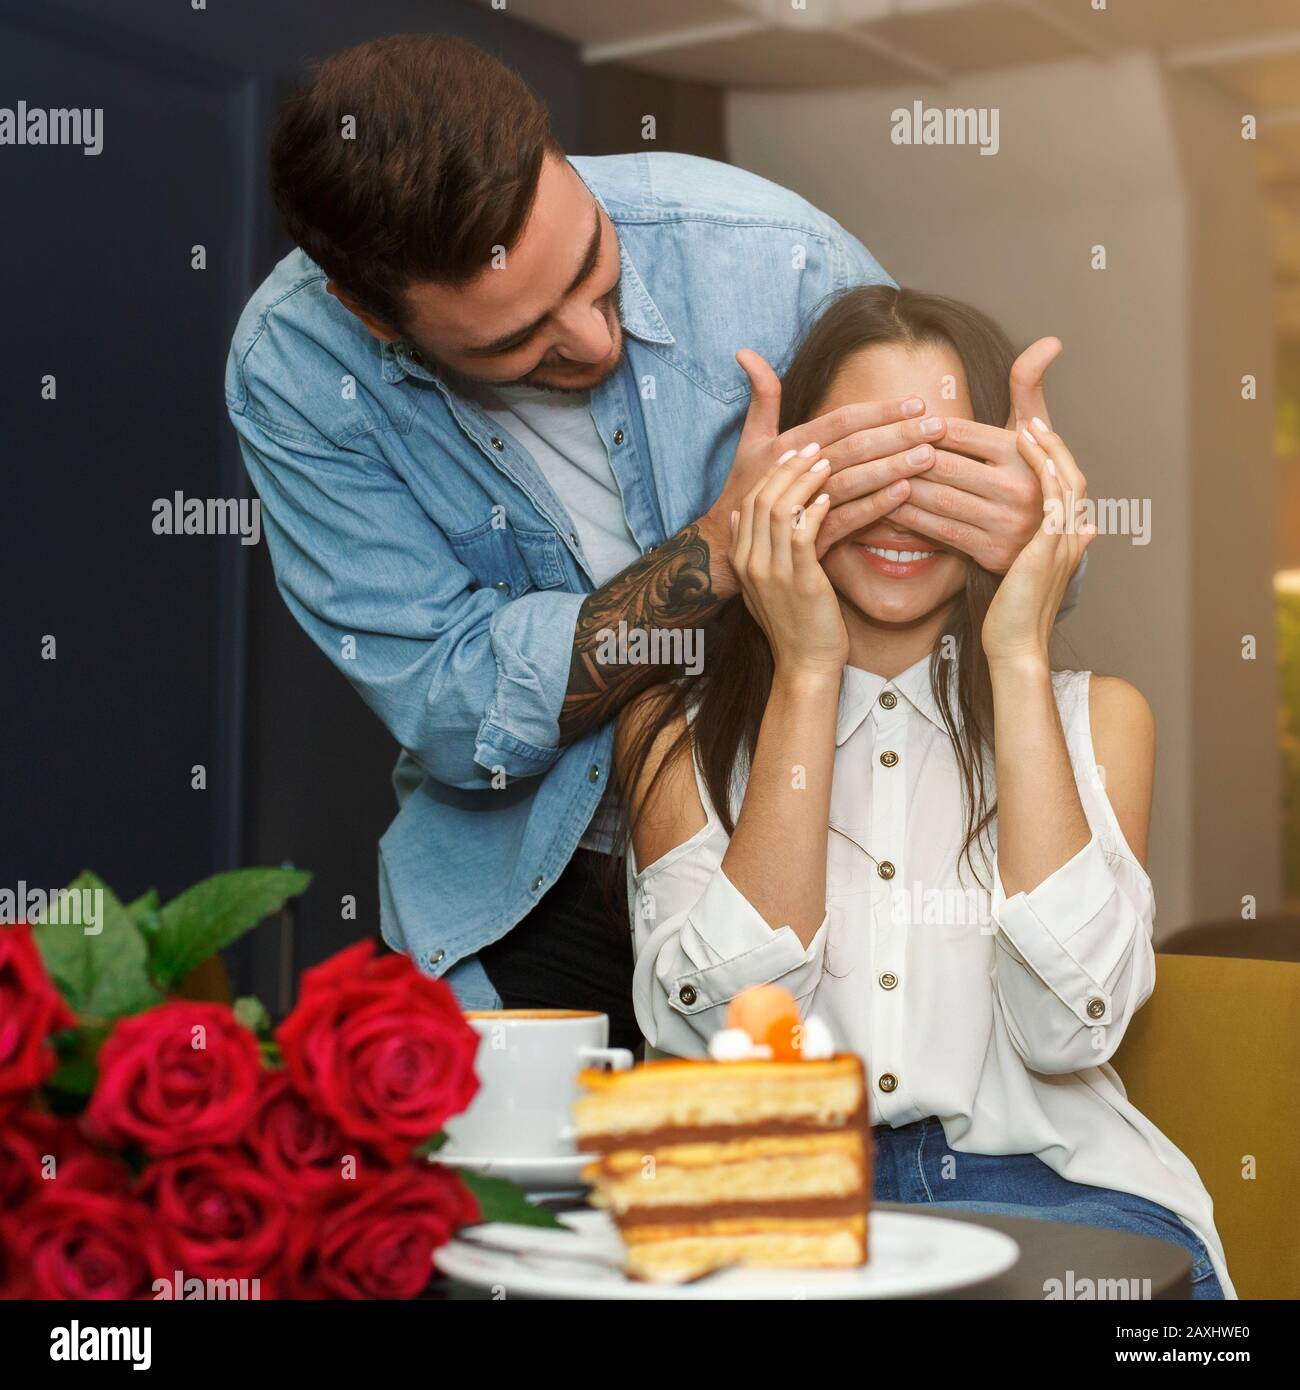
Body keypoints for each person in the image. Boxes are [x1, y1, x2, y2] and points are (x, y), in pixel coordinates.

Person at [227, 33, 1063, 1050]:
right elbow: (458, 709)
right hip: (533, 894)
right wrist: (714, 551)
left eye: (591, 267)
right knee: (539, 1207)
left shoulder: (768, 253)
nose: (593, 339)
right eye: (514, 342)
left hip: (823, 862)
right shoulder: (299, 377)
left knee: (809, 1198)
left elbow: (954, 582)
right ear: (374, 319)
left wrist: (1018, 534)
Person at [615, 284, 1232, 1298]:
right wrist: (807, 676)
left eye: (946, 469)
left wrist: (1020, 654)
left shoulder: (1101, 716)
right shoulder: (672, 732)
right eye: (863, 466)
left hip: (1059, 1193)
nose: (903, 507)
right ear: (786, 479)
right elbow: (729, 1048)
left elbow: (1066, 1027)